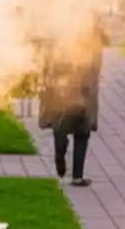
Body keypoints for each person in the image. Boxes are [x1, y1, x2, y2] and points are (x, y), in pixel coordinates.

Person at [38, 20, 105, 187]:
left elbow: (48, 63)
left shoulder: (60, 30)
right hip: (82, 90)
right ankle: (77, 176)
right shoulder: (92, 40)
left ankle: (60, 149)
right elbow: (94, 69)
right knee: (82, 133)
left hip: (61, 90)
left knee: (61, 122)